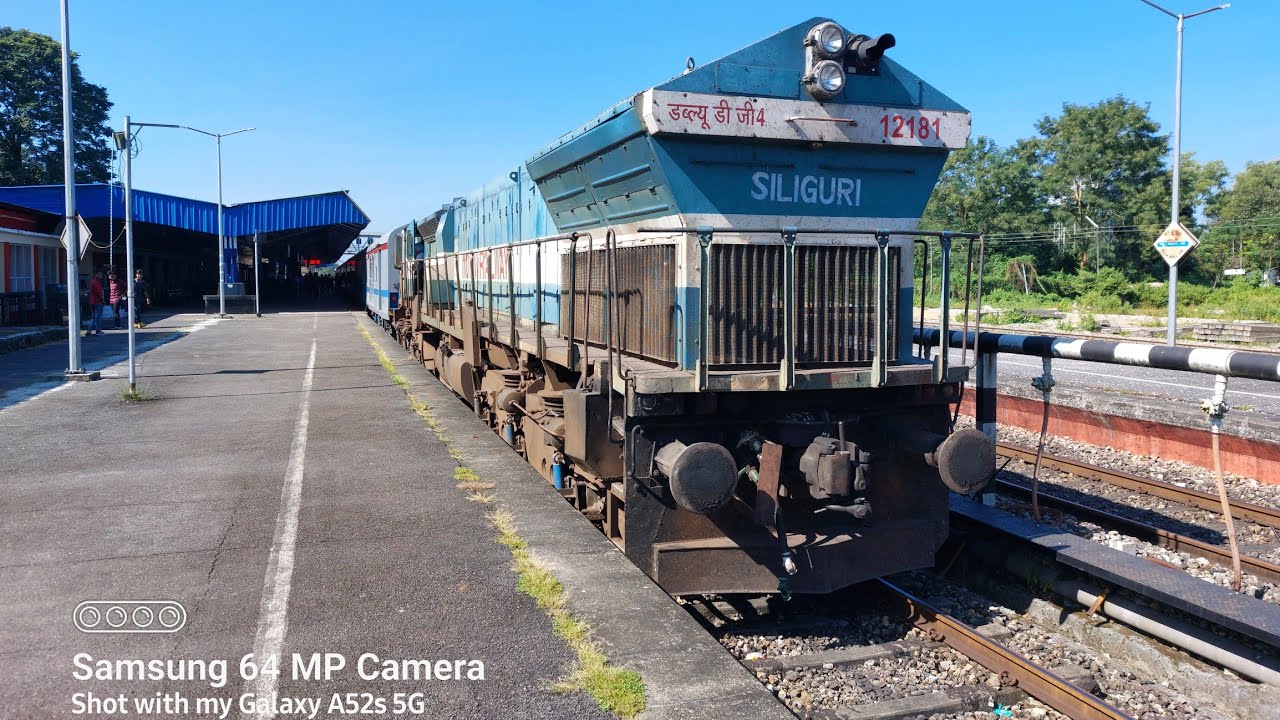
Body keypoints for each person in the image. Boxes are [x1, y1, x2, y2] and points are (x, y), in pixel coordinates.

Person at [87, 270, 105, 336]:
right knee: (98, 317)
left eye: (101, 274)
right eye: (99, 274)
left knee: (93, 317)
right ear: (96, 275)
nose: (100, 276)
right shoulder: (96, 282)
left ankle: (89, 331)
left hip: (92, 301)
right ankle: (98, 331)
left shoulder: (93, 281)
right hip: (97, 301)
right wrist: (102, 300)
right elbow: (98, 292)